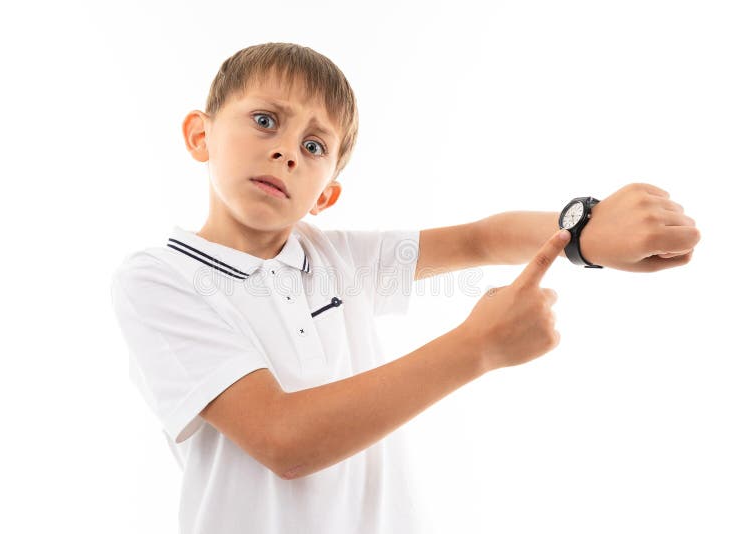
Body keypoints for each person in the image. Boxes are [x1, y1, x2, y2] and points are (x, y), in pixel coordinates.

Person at [110, 42, 700, 534]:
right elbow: (283, 441)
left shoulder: (333, 256)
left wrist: (587, 232)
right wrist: (478, 347)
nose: (287, 150)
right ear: (199, 135)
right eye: (266, 120)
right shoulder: (158, 278)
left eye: (315, 146)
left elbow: (478, 241)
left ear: (326, 194)